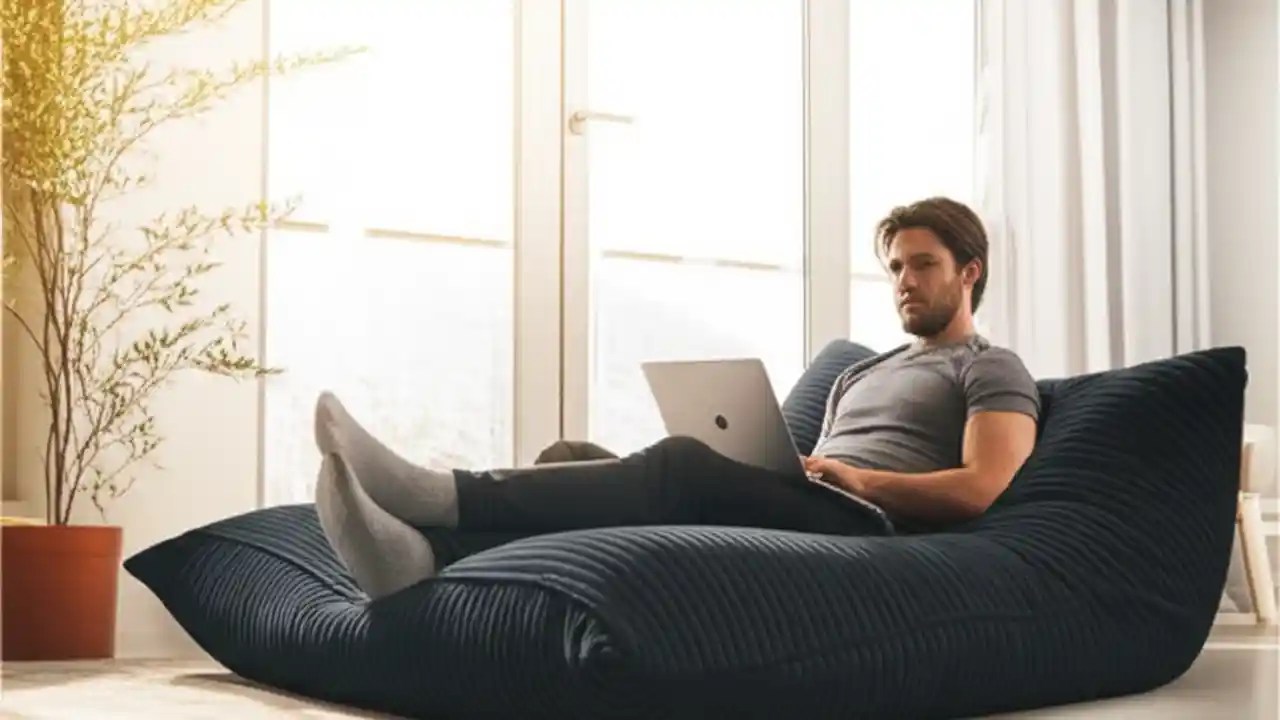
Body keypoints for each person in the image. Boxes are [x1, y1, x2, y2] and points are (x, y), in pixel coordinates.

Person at [312, 197, 1040, 599]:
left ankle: (437, 497)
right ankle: (430, 561)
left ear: (968, 272)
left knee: (682, 467)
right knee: (572, 455)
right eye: (894, 268)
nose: (904, 281)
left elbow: (982, 489)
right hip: (805, 501)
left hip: (865, 525)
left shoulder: (990, 365)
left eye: (923, 265)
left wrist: (856, 476)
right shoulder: (862, 370)